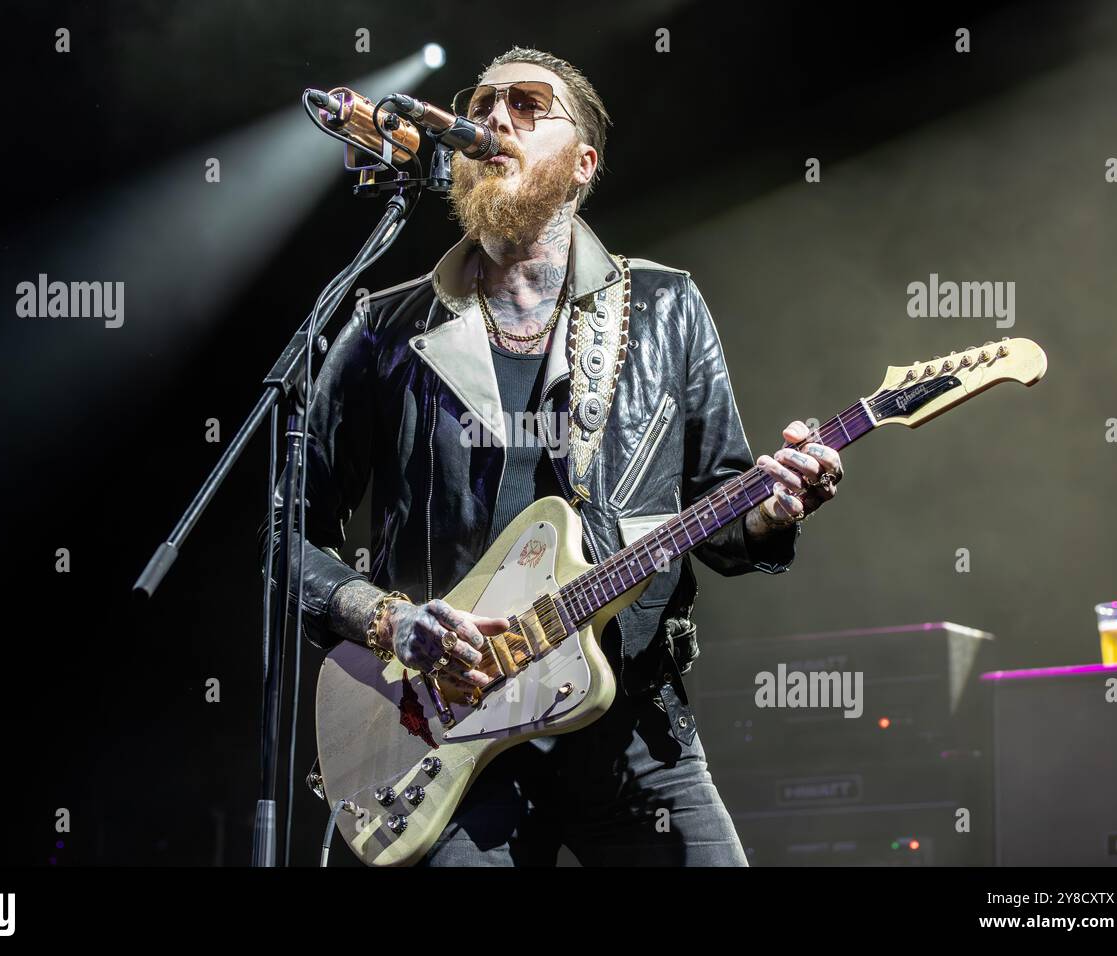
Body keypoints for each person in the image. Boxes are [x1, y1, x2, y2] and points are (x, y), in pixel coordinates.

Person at [265, 46, 845, 866]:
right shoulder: (385, 330)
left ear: (582, 164)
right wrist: (390, 621)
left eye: (530, 105)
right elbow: (286, 534)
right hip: (446, 733)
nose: (496, 118)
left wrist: (772, 508)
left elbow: (718, 511)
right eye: (486, 102)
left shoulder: (667, 309)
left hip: (629, 724)